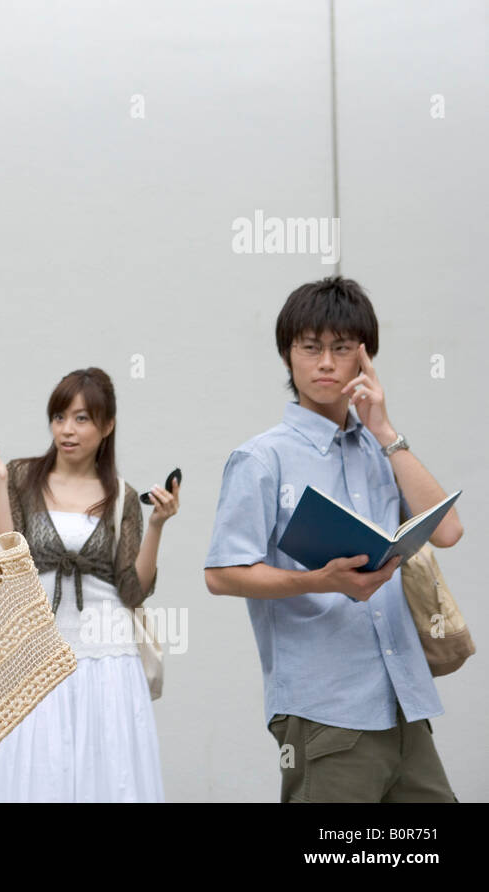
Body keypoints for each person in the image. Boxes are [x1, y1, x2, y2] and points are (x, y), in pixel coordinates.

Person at [204, 276, 463, 802]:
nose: (325, 362)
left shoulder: (377, 448)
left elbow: (449, 530)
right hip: (324, 714)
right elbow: (221, 574)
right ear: (287, 356)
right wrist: (318, 580)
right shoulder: (262, 459)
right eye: (310, 347)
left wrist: (386, 431)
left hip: (403, 704)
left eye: (341, 348)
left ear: (364, 361)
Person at [0, 367, 177, 802]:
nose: (67, 430)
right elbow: (2, 564)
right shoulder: (20, 477)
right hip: (37, 658)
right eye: (59, 417)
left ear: (107, 426)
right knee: (39, 778)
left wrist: (158, 525)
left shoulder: (122, 496)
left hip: (108, 660)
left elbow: (132, 591)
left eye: (82, 418)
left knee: (111, 779)